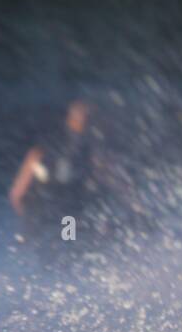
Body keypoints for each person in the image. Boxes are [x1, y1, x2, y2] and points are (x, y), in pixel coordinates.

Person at [9, 100, 112, 240]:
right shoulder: (84, 148)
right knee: (64, 246)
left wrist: (21, 203)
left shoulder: (53, 143)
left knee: (48, 245)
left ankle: (36, 243)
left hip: (49, 208)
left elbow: (16, 193)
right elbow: (103, 175)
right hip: (61, 209)